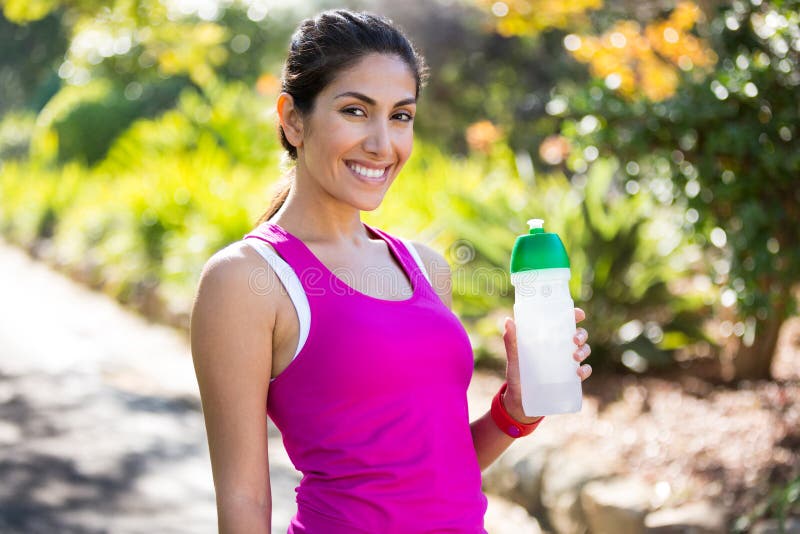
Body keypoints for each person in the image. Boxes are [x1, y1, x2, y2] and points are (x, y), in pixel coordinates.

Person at [190, 9, 592, 534]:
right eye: (356, 111)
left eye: (400, 116)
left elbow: (435, 474)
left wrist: (514, 411)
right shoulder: (245, 279)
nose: (383, 144)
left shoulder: (425, 268)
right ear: (292, 118)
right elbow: (244, 501)